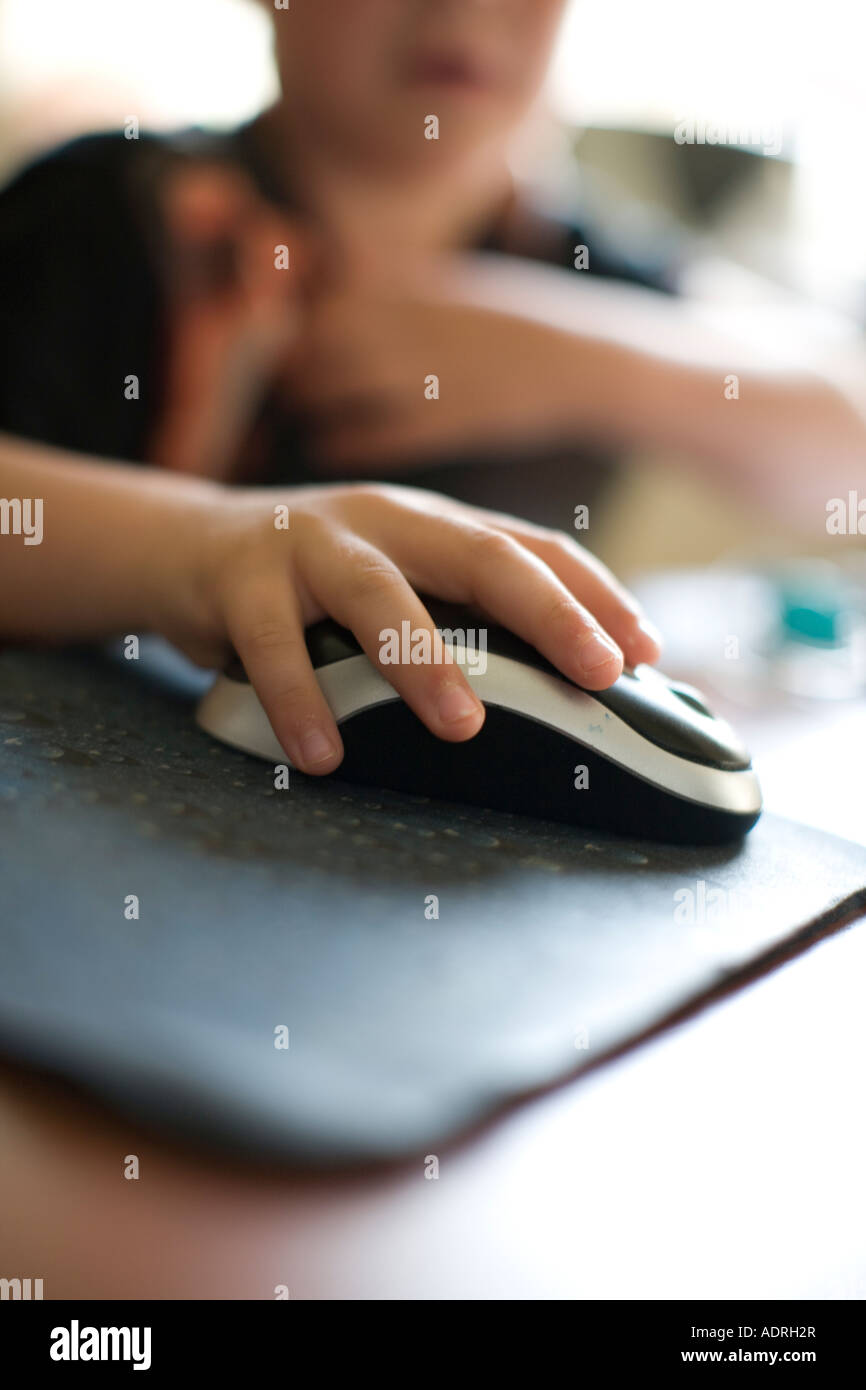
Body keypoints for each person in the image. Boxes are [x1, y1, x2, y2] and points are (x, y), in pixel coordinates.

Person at [0, 0, 862, 774]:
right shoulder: (103, 214)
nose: (465, 9)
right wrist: (197, 549)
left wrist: (571, 357)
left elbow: (846, 439)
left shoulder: (583, 272)